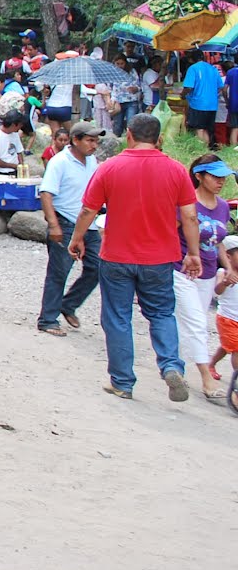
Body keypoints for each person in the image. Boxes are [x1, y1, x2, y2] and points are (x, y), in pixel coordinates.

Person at [69, 113, 199, 402]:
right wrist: (192, 253)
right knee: (162, 313)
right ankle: (170, 366)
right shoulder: (176, 170)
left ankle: (122, 382)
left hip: (117, 255)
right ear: (159, 138)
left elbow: (88, 211)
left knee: (117, 317)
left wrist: (77, 238)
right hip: (161, 258)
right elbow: (190, 216)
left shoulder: (110, 167)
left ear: (128, 134)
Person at [36, 121, 103, 336]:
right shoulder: (60, 162)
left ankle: (69, 303)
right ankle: (48, 319)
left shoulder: (92, 161)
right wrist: (53, 224)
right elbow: (46, 193)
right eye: (90, 140)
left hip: (88, 223)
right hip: (65, 221)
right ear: (76, 140)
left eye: (96, 141)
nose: (94, 145)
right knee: (59, 272)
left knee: (99, 267)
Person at [175, 153, 231, 400]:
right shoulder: (186, 203)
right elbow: (169, 232)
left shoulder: (222, 207)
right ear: (199, 176)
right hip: (182, 271)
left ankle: (172, 365)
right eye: (215, 176)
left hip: (208, 273)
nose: (221, 181)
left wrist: (228, 265)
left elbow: (218, 241)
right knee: (197, 323)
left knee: (189, 323)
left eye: (223, 177)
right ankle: (206, 378)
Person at [210, 237, 238, 409]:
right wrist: (226, 282)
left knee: (226, 346)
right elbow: (217, 291)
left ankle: (211, 363)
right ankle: (237, 379)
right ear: (228, 256)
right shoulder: (223, 272)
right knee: (236, 349)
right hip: (227, 319)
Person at [182, 50, 221, 149]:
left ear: (192, 59)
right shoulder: (213, 69)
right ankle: (207, 150)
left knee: (199, 129)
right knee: (207, 129)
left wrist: (183, 95)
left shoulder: (193, 68)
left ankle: (201, 150)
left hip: (198, 103)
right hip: (212, 104)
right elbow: (220, 86)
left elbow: (189, 87)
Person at [0, 112, 27, 176]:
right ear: (13, 125)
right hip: (0, 173)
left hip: (14, 170)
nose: (21, 127)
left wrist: (21, 166)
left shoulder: (14, 134)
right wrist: (14, 166)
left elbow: (19, 151)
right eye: (20, 125)